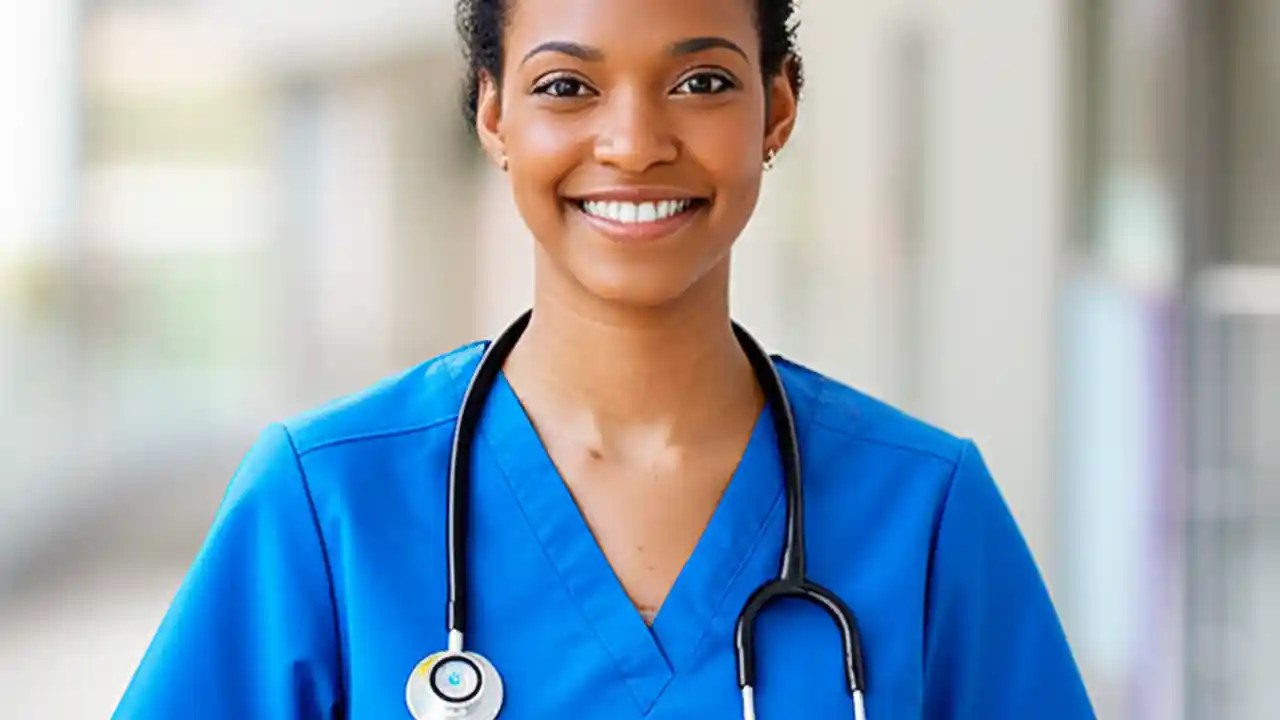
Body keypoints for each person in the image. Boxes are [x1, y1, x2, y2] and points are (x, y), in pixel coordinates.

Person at [114, 0, 1095, 717]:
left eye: (701, 81)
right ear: (494, 117)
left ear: (776, 111)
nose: (631, 143)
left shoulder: (920, 508)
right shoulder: (328, 504)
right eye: (566, 86)